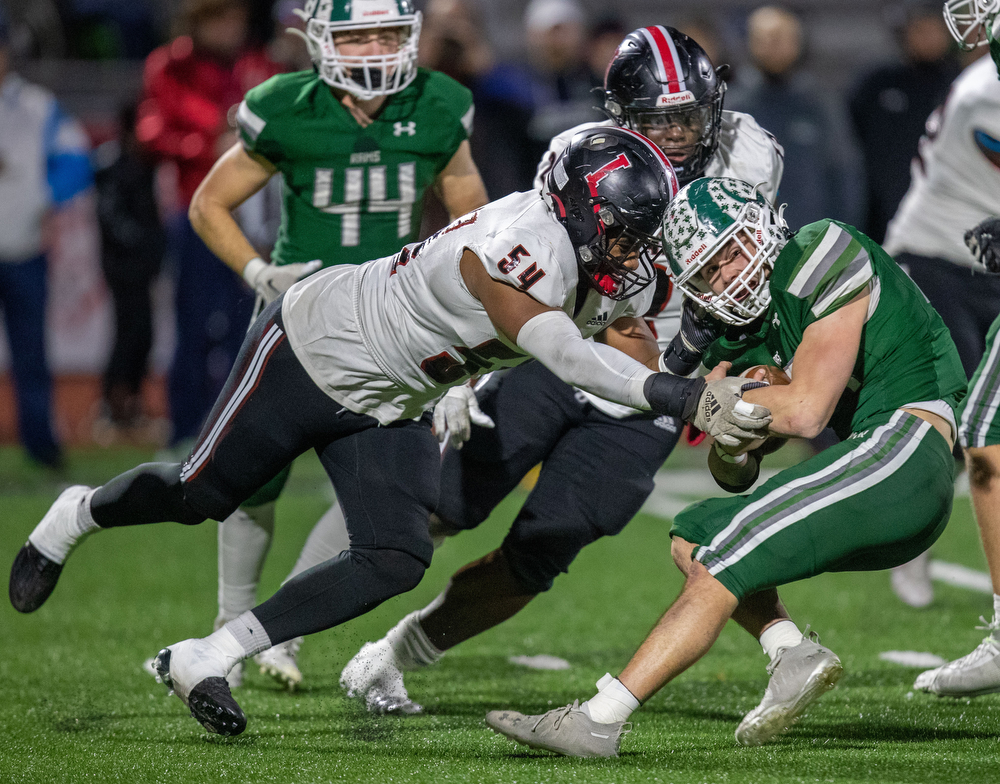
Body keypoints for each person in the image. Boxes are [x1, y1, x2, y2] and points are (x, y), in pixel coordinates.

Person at [10, 128, 775, 738]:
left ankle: (208, 656)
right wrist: (683, 399)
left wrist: (702, 371)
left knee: (394, 555)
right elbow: (563, 353)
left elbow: (633, 351)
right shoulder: (517, 241)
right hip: (315, 350)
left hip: (398, 395)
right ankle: (74, 515)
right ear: (574, 205)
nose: (633, 250)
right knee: (197, 494)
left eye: (644, 236)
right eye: (623, 230)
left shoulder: (613, 260)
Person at [338, 25, 786, 716]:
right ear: (621, 119)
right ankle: (284, 624)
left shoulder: (751, 156)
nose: (675, 135)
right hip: (561, 357)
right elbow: (511, 257)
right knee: (440, 506)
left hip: (658, 389)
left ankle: (394, 653)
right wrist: (461, 372)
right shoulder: (586, 158)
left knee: (539, 555)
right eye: (656, 121)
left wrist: (713, 354)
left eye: (688, 116)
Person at [485, 176, 965, 757]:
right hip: (874, 466)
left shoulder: (819, 248)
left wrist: (729, 401)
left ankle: (598, 719)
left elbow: (809, 411)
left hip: (906, 446)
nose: (729, 275)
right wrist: (731, 432)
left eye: (732, 251)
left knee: (725, 550)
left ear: (760, 227)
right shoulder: (742, 337)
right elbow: (733, 474)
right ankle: (790, 652)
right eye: (710, 272)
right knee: (696, 535)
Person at [189, 0, 489, 689]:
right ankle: (227, 626)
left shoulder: (438, 104)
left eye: (389, 32)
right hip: (295, 320)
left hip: (395, 324)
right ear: (320, 41)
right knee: (245, 480)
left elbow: (477, 234)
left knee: (383, 491)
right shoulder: (286, 106)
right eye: (359, 36)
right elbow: (209, 202)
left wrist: (463, 366)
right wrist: (257, 270)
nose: (377, 49)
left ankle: (272, 634)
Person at [881, 19, 1000, 608]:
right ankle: (911, 539)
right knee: (965, 423)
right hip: (942, 256)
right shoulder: (987, 94)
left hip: (989, 258)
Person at [134, 0, 281, 453]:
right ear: (196, 20)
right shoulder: (170, 65)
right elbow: (150, 133)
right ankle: (185, 430)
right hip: (198, 212)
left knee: (252, 326)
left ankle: (243, 431)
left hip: (259, 215)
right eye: (218, 17)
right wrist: (209, 142)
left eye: (234, 16)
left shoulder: (259, 63)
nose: (229, 26)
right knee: (195, 325)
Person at [911, 0, 1000, 698]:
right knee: (978, 430)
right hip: (943, 254)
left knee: (981, 431)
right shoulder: (983, 83)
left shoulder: (981, 86)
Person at [0, 14, 92, 469]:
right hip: (21, 244)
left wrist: (44, 198)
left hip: (21, 246)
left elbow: (77, 158)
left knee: (31, 354)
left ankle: (41, 445)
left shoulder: (37, 106)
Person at [726, 6, 861, 230]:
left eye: (781, 38)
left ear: (798, 43)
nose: (773, 46)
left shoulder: (821, 104)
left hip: (813, 244)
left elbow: (845, 177)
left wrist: (843, 238)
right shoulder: (730, 107)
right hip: (745, 246)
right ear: (749, 42)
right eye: (765, 38)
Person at [848, 0, 960, 243]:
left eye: (935, 29)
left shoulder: (963, 85)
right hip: (883, 215)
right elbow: (850, 144)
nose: (928, 37)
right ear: (904, 33)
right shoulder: (877, 83)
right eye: (919, 29)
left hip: (948, 215)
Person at [92, 102, 167, 442]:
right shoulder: (111, 164)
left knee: (144, 335)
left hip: (144, 266)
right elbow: (110, 216)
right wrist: (140, 244)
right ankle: (110, 407)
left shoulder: (148, 164)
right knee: (127, 334)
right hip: (122, 267)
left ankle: (131, 406)